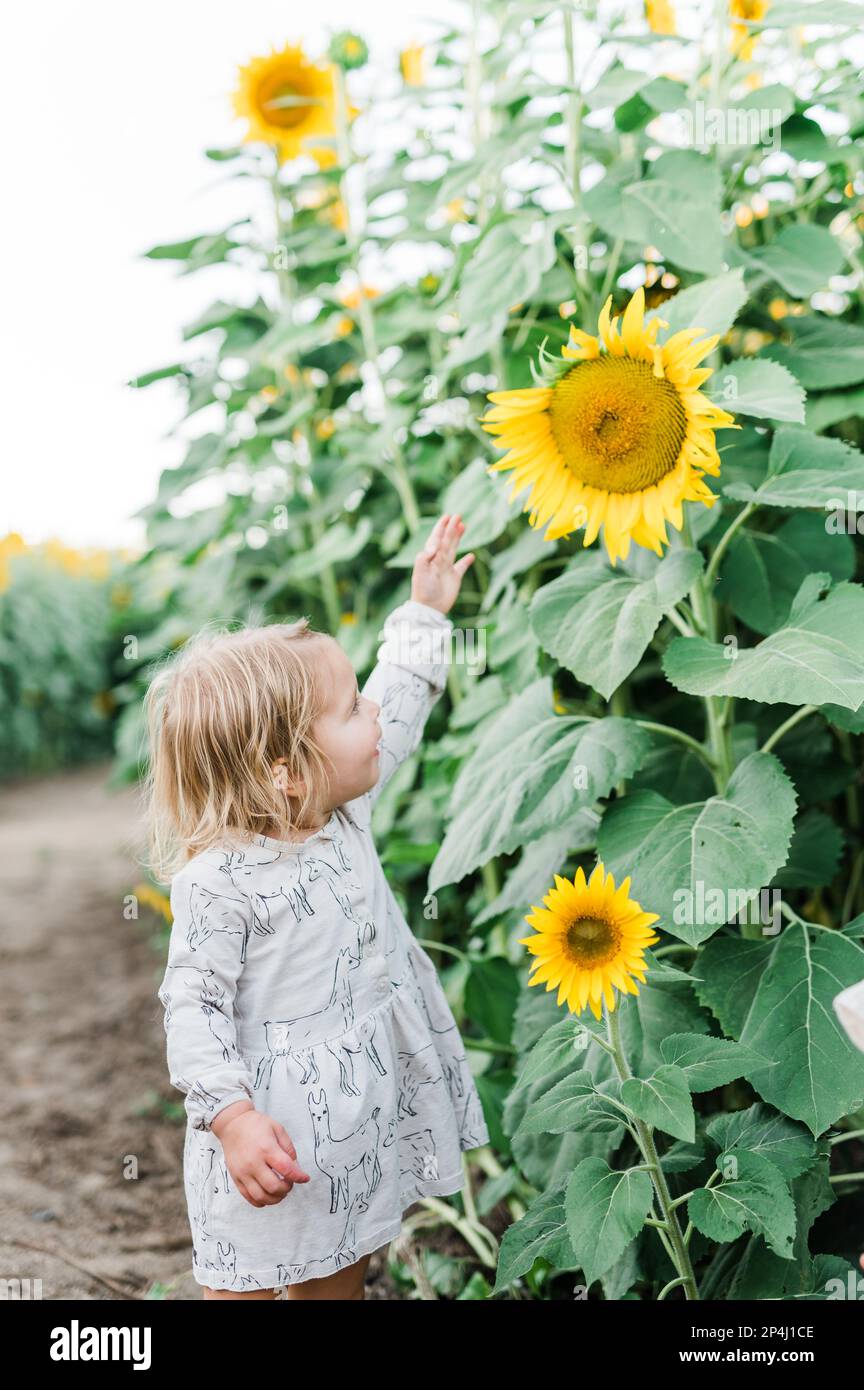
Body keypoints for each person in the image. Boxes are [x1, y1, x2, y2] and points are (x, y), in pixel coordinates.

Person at [143, 514, 489, 1299]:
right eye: (350, 708)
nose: (373, 716)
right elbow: (191, 1006)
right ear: (287, 772)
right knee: (244, 1281)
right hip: (268, 1131)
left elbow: (400, 703)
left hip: (353, 1119)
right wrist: (230, 1118)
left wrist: (425, 613)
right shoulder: (218, 881)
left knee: (339, 1272)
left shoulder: (343, 813)